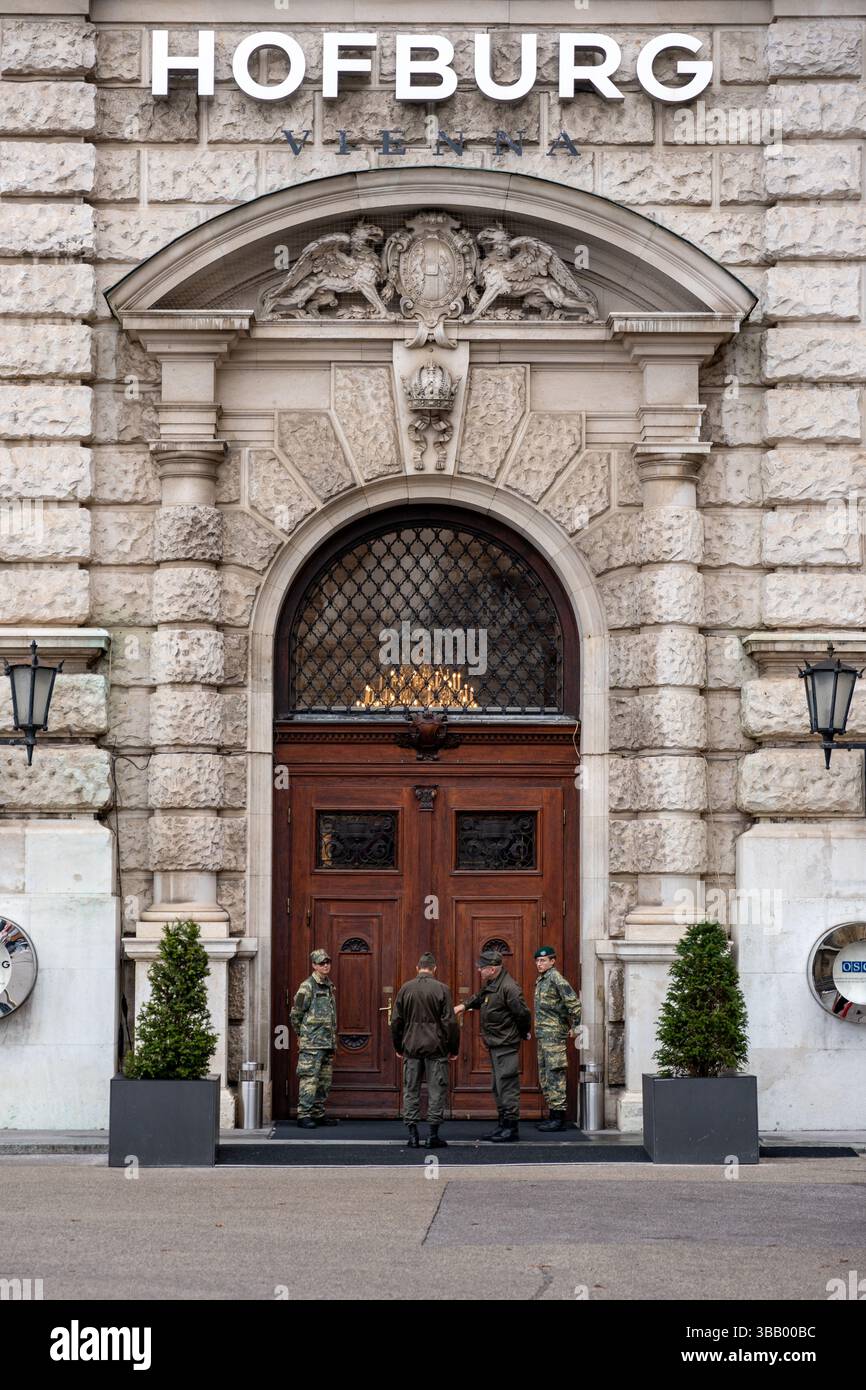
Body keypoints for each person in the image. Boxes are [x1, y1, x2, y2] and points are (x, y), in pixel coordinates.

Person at [454, 948, 531, 1143]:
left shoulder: (509, 988)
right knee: (497, 1086)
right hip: (495, 1043)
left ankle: (511, 1128)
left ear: (493, 969)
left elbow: (522, 1014)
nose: (479, 970)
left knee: (507, 1085)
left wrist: (522, 1033)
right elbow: (480, 998)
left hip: (506, 1043)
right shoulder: (492, 984)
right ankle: (502, 1124)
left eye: (482, 968)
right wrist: (464, 1006)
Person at [391, 952, 460, 1149]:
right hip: (436, 1047)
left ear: (417, 968)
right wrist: (453, 1048)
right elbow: (450, 1023)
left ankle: (413, 1135)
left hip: (411, 1046)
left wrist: (398, 1046)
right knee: (436, 1089)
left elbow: (396, 1021)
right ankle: (432, 1135)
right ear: (434, 968)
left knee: (410, 1089)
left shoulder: (405, 988)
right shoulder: (442, 989)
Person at [533, 945, 581, 1132]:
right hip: (544, 1035)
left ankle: (558, 1119)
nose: (539, 964)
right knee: (546, 1076)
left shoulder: (556, 978)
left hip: (554, 1036)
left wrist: (576, 1028)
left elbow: (574, 1004)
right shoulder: (542, 979)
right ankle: (552, 1115)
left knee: (555, 1075)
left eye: (543, 960)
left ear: (552, 961)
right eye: (537, 961)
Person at [289, 947, 338, 1129]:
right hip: (312, 1043)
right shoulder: (307, 986)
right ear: (314, 965)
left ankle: (318, 1113)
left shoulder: (328, 985)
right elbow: (296, 1014)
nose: (325, 965)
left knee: (324, 1081)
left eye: (327, 962)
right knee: (309, 1078)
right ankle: (304, 1114)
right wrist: (301, 1035)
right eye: (321, 963)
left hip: (326, 1042)